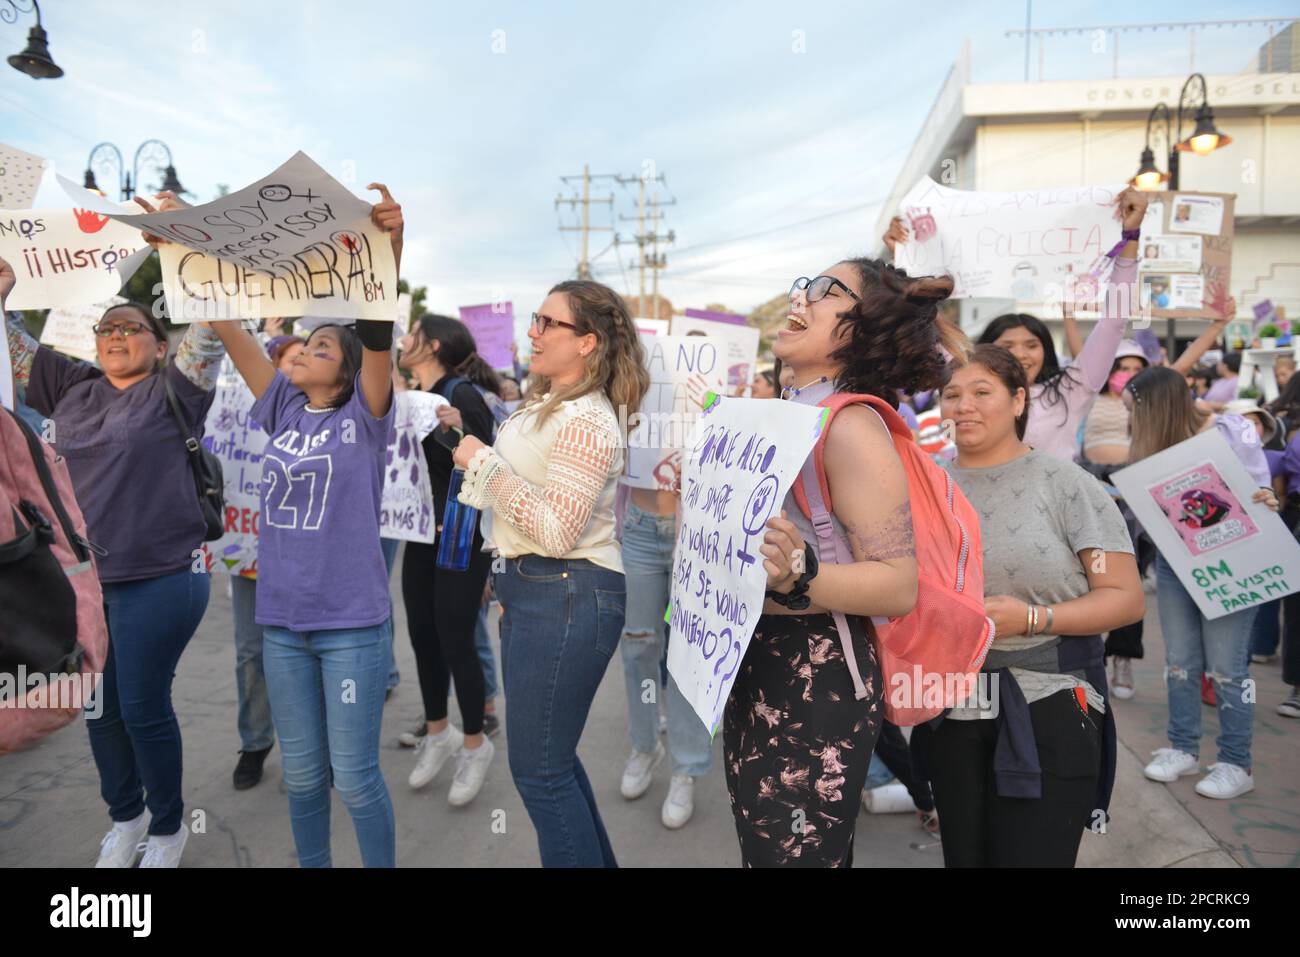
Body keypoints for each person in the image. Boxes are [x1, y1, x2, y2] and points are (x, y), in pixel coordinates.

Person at [728, 260, 963, 867]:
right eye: (802, 286)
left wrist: (801, 573)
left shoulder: (850, 425)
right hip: (760, 660)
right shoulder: (784, 412)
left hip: (813, 670)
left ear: (865, 328)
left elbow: (897, 583)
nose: (801, 299)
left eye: (828, 292)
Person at [199, 184, 405, 866]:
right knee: (305, 778)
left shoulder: (366, 417)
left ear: (345, 372)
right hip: (283, 625)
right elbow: (232, 329)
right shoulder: (283, 405)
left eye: (322, 344)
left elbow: (378, 331)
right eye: (306, 341)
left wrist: (386, 247)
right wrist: (187, 252)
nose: (306, 348)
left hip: (349, 626)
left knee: (356, 777)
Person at [3, 253, 225, 868]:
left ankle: (169, 829)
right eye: (107, 328)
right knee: (99, 707)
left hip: (160, 579)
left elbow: (212, 321)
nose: (117, 335)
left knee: (141, 704)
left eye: (132, 328)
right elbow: (8, 340)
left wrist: (187, 248)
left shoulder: (177, 387)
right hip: (88, 586)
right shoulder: (71, 385)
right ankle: (126, 820)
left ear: (161, 347)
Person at [453, 280, 649, 867]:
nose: (532, 332)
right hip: (542, 589)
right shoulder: (548, 403)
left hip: (567, 590)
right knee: (550, 763)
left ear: (587, 341)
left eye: (547, 323)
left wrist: (482, 461)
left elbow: (559, 531)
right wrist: (506, 573)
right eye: (534, 320)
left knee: (539, 772)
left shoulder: (587, 419)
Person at [931, 344, 1145, 867]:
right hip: (952, 700)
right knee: (965, 856)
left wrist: (1033, 617)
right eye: (952, 394)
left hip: (1051, 700)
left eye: (982, 392)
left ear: (1019, 400)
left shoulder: (1067, 486)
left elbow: (1124, 598)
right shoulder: (928, 484)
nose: (964, 406)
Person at [887, 189, 1148, 462]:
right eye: (1007, 346)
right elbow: (925, 321)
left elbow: (1114, 321)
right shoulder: (963, 374)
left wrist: (1131, 237)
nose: (1021, 354)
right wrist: (906, 259)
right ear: (987, 351)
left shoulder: (1071, 390)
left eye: (1031, 345)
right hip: (968, 502)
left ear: (1045, 350)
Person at [1126, 367, 1281, 799]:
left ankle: (1236, 762)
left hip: (1234, 562)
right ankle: (1183, 748)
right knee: (1180, 662)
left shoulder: (1233, 430)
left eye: (1134, 412)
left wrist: (1265, 498)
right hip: (1178, 565)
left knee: (1230, 670)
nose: (1131, 423)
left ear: (1155, 409)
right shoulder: (1151, 450)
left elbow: (1258, 488)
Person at [394, 314, 499, 805]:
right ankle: (439, 733)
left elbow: (489, 467)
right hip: (417, 534)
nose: (402, 340)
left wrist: (456, 434)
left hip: (458, 538)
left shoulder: (461, 395)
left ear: (431, 344)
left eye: (410, 333)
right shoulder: (409, 397)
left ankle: (475, 744)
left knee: (457, 638)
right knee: (422, 636)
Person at [228, 322, 305, 791]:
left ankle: (313, 750)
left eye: (310, 354)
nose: (300, 362)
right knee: (251, 653)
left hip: (306, 559)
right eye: (290, 357)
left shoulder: (333, 418)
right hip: (252, 554)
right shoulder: (239, 409)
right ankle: (255, 742)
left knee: (308, 653)